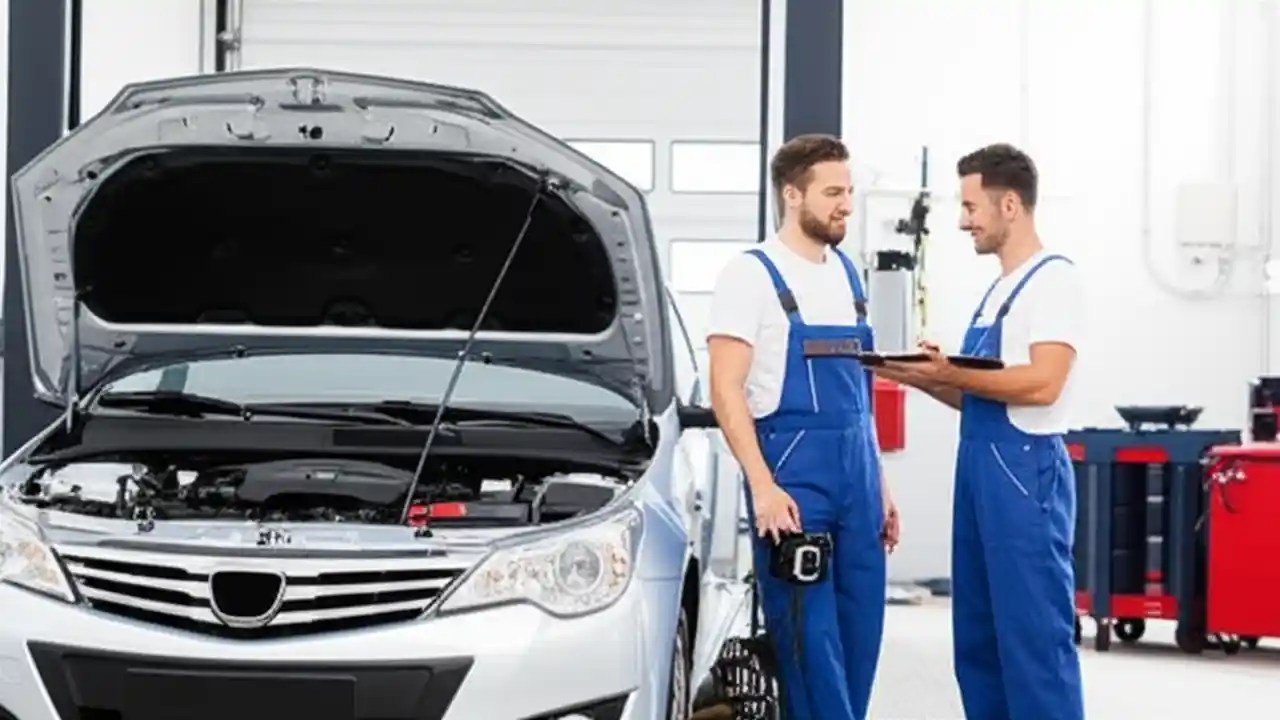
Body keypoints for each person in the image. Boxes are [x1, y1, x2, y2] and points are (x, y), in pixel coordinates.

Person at [873, 143, 1085, 720]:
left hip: (1025, 476)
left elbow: (1043, 383)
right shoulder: (998, 292)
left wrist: (949, 372)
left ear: (1009, 204)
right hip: (981, 472)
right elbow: (977, 394)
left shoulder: (1053, 282)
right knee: (979, 642)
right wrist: (916, 375)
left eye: (970, 207)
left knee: (1034, 641)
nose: (963, 220)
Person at [706, 133, 898, 720]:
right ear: (793, 194)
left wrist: (880, 484)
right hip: (793, 483)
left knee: (860, 636)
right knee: (809, 645)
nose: (847, 205)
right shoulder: (751, 275)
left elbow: (861, 394)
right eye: (833, 193)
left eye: (850, 192)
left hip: (858, 482)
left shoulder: (847, 275)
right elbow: (725, 389)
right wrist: (762, 486)